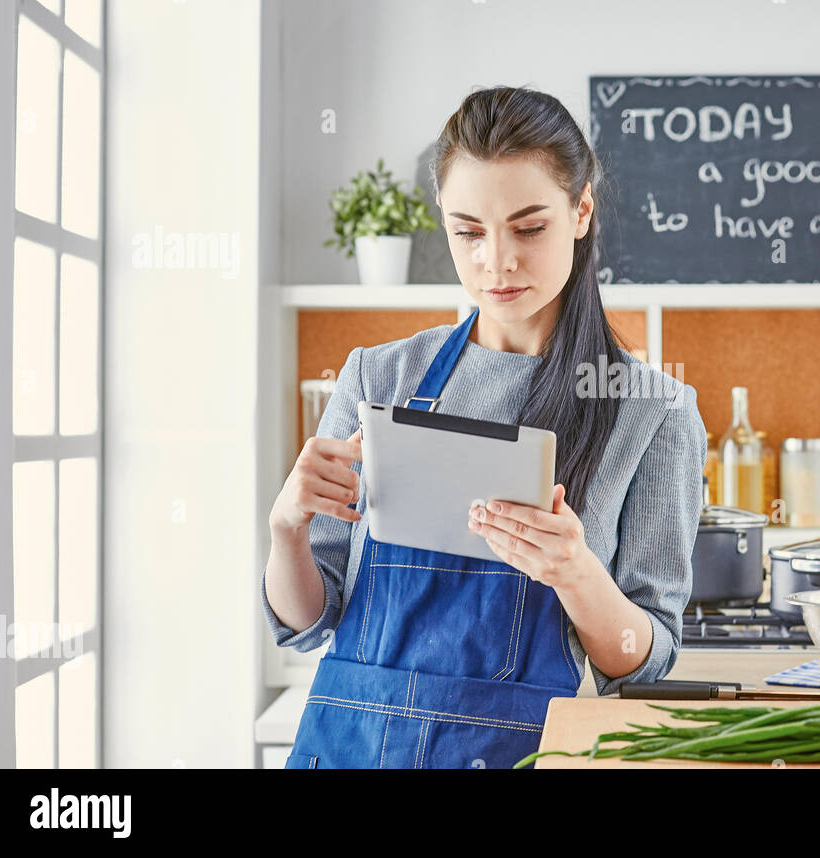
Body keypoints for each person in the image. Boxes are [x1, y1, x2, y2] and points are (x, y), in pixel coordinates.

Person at [261, 85, 707, 769]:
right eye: (468, 230)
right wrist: (287, 529)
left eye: (529, 228)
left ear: (581, 211)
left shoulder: (652, 412)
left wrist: (575, 573)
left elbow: (641, 665)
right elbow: (305, 622)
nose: (495, 261)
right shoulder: (376, 378)